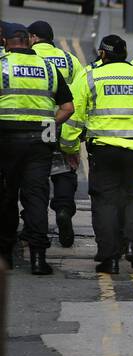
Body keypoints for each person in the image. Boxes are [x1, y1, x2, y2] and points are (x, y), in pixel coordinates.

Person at [60, 35, 133, 275]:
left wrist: (69, 148)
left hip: (103, 151)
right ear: (125, 54)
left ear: (103, 54)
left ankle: (110, 257)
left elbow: (74, 117)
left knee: (105, 201)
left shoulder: (90, 77)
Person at [0, 22, 74, 275]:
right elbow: (68, 108)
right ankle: (38, 259)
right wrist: (50, 124)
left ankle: (6, 256)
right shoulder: (49, 68)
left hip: (6, 140)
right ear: (29, 41)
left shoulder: (2, 65)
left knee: (6, 197)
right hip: (40, 140)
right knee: (36, 198)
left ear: (6, 42)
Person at [27, 20, 83, 249]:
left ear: (32, 37)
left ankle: (33, 223)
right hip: (61, 123)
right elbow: (78, 95)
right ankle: (63, 210)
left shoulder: (28, 58)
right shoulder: (70, 59)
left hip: (35, 126)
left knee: (35, 176)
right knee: (64, 171)